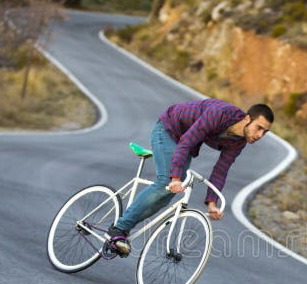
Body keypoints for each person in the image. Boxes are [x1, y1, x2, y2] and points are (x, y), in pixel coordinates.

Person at [108, 98, 274, 257]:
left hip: (184, 143)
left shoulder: (238, 142)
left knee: (167, 196)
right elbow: (187, 141)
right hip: (168, 129)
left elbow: (221, 170)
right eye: (258, 128)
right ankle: (119, 229)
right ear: (247, 119)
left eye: (265, 132)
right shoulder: (220, 113)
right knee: (166, 182)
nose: (260, 135)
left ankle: (123, 230)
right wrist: (175, 178)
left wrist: (212, 204)